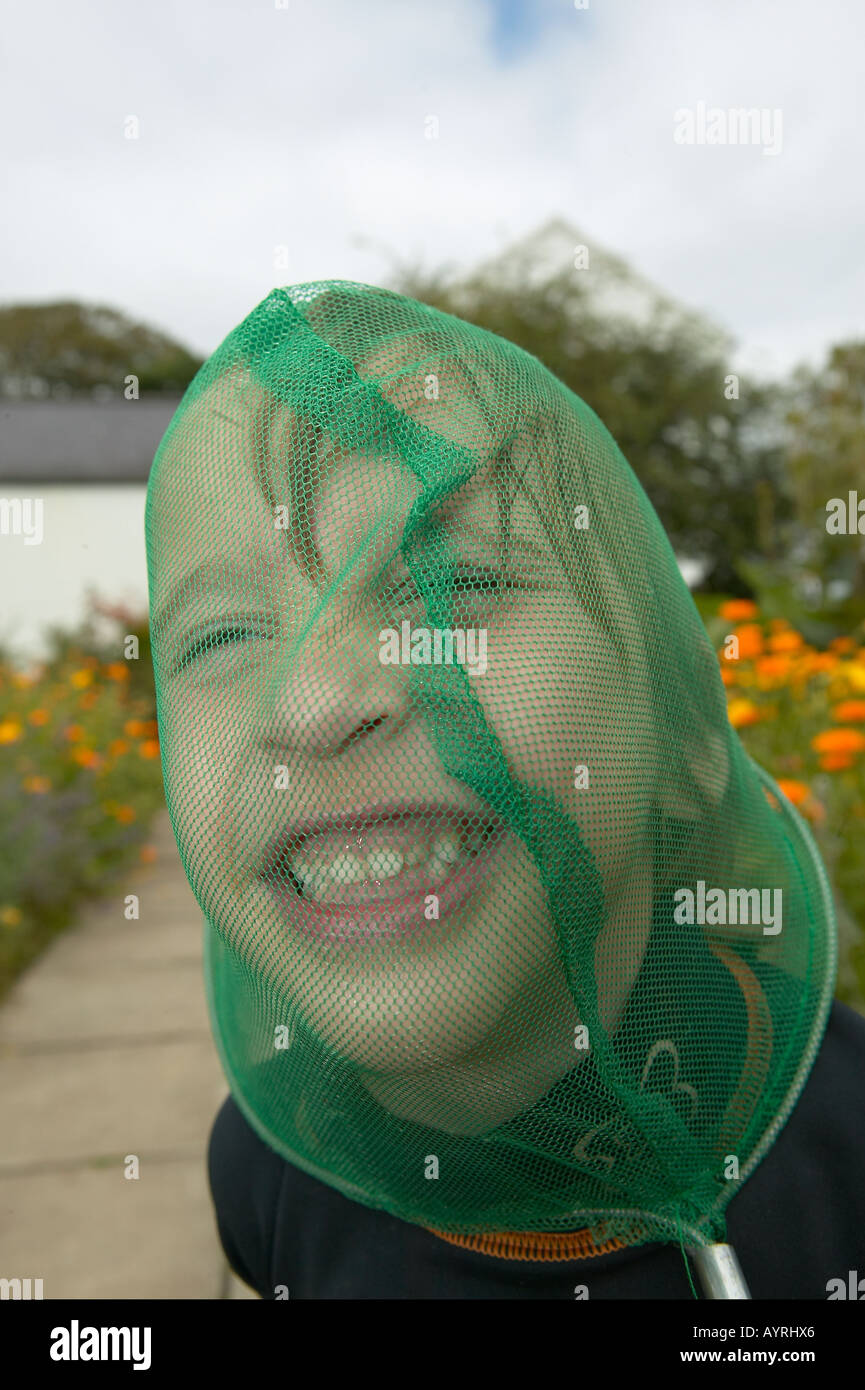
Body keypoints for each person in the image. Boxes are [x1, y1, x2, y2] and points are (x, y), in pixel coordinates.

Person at [145, 280, 865, 1300]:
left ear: (687, 740)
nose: (307, 703)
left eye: (457, 586)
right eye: (220, 637)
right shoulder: (268, 1174)